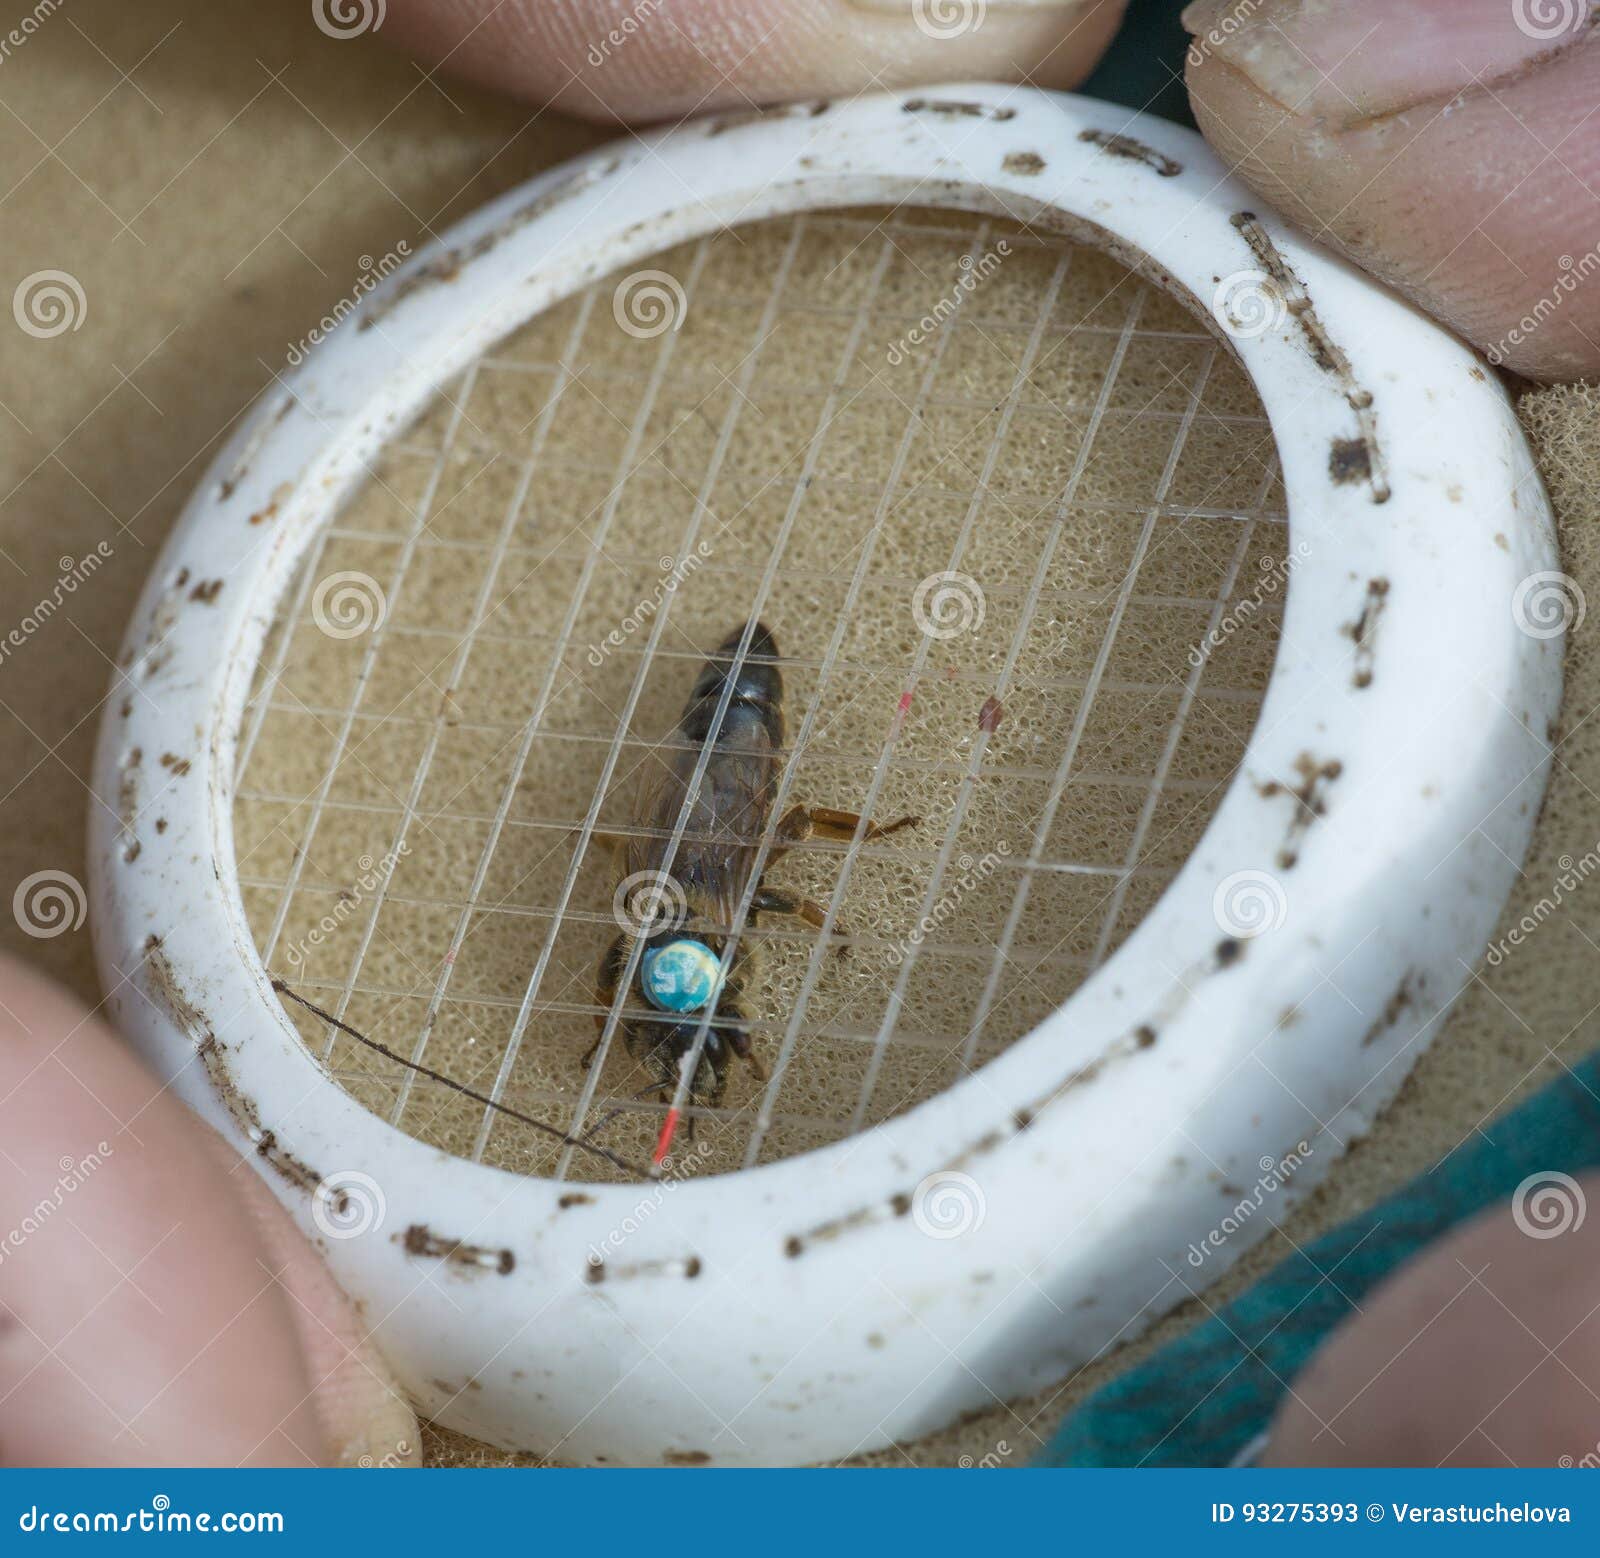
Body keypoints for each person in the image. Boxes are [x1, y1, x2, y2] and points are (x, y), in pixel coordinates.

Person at [4, 0, 1596, 1466]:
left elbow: (685, 903)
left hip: (731, 760)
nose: (681, 1019)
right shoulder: (674, 933)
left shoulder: (689, 915)